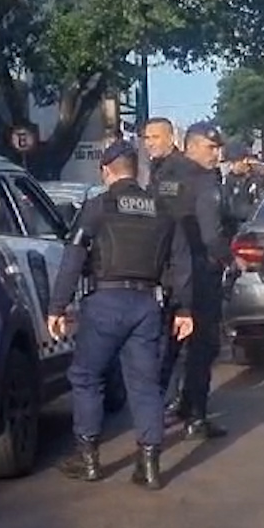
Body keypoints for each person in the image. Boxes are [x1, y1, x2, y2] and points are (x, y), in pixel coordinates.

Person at [47, 139, 195, 491]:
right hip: (147, 305)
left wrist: (57, 306)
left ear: (106, 170)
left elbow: (73, 257)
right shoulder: (162, 210)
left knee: (86, 378)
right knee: (145, 385)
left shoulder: (98, 207)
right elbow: (181, 263)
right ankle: (149, 465)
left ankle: (89, 460)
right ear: (136, 170)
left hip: (105, 303)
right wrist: (185, 308)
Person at [143, 118, 231, 439]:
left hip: (167, 274)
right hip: (200, 273)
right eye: (211, 147)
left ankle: (158, 412)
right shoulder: (204, 180)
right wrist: (230, 260)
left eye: (218, 148)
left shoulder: (163, 174)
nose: (216, 154)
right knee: (202, 346)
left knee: (168, 345)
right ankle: (196, 415)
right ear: (191, 145)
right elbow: (211, 235)